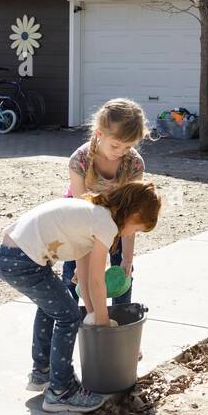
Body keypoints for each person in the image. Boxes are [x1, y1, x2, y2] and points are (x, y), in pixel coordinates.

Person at [0, 180, 161, 412]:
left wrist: (93, 312)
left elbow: (83, 277)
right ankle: (61, 392)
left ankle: (43, 372)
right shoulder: (106, 224)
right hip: (23, 261)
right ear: (132, 213)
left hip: (10, 256)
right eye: (138, 228)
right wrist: (102, 320)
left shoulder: (91, 217)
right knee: (69, 316)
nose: (132, 234)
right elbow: (95, 280)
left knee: (53, 307)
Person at [61, 99, 148, 307]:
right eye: (116, 145)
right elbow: (80, 215)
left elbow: (130, 215)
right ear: (99, 134)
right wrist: (81, 261)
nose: (120, 152)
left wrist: (128, 258)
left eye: (128, 146)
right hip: (80, 225)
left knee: (123, 273)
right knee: (73, 278)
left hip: (118, 222)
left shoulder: (134, 164)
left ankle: (122, 317)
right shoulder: (79, 160)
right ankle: (72, 319)